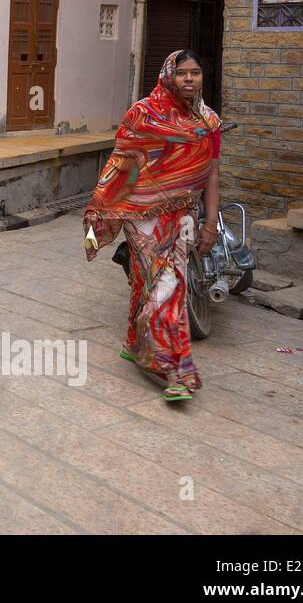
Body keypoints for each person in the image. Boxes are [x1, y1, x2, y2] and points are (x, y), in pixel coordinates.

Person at [83, 49, 222, 403]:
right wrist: (104, 207)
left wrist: (210, 225)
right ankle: (175, 371)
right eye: (182, 73)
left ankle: (134, 342)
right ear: (168, 77)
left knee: (158, 285)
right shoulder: (144, 113)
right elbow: (121, 163)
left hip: (183, 215)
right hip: (142, 216)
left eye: (195, 72)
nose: (189, 79)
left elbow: (212, 172)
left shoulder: (209, 121)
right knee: (165, 287)